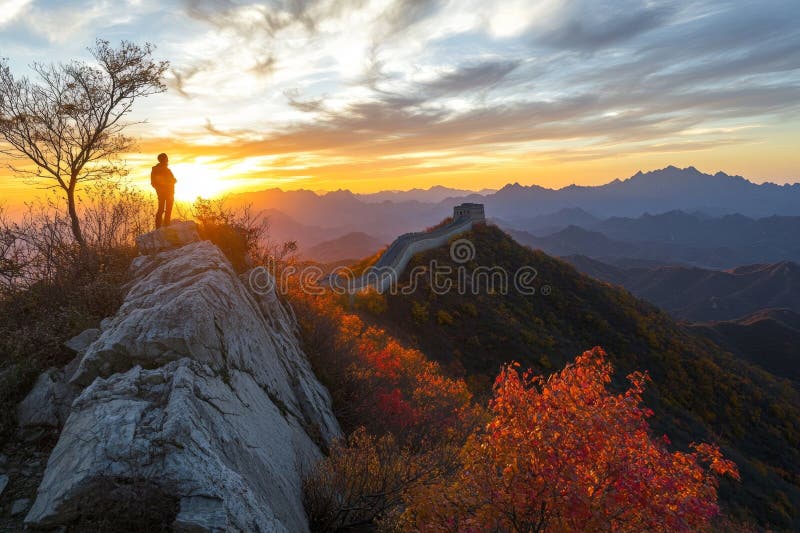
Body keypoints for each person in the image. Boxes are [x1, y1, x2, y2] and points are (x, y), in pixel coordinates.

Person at [151, 153, 177, 229]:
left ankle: (164, 226)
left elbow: (171, 180)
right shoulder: (158, 169)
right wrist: (170, 183)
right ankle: (161, 227)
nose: (168, 160)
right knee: (163, 210)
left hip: (169, 193)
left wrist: (173, 181)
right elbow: (154, 182)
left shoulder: (166, 169)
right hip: (165, 193)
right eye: (166, 158)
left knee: (166, 210)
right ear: (163, 159)